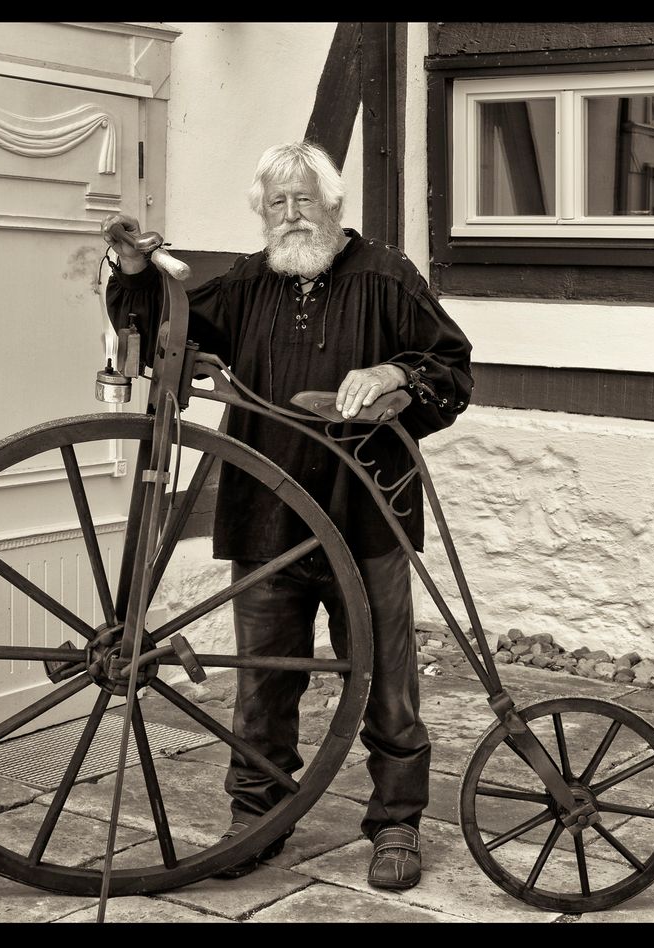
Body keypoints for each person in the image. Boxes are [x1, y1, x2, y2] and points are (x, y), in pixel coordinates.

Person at [102, 141, 473, 890]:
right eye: (277, 202)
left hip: (365, 509)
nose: (292, 214)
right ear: (262, 215)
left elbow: (453, 367)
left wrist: (395, 372)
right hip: (269, 511)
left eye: (305, 198)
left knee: (385, 680)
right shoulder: (249, 281)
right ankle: (258, 818)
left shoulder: (386, 277)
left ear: (334, 206)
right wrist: (136, 275)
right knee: (264, 678)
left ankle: (397, 821)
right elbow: (168, 334)